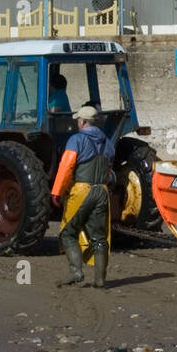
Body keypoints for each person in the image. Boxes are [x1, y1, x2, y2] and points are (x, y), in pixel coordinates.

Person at [51, 105, 114, 288]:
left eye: (79, 120)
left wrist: (57, 192)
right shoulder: (107, 142)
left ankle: (76, 272)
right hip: (102, 191)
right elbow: (109, 170)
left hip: (82, 190)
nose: (77, 123)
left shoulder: (76, 139)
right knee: (99, 237)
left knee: (68, 232)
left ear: (84, 122)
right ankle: (100, 280)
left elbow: (67, 167)